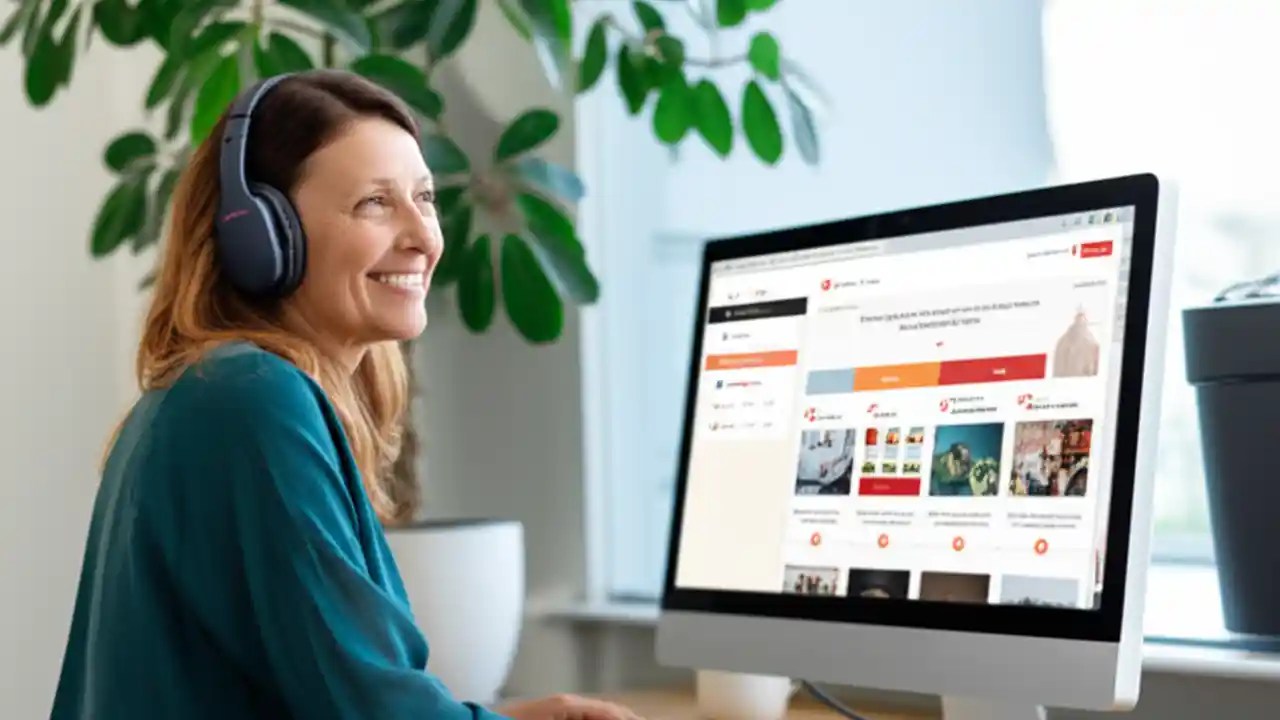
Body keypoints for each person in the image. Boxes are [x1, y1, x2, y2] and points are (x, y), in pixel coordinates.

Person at [51, 70, 640, 720]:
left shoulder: (208, 390)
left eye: (425, 198)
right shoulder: (250, 399)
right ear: (262, 235)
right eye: (374, 203)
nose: (425, 237)